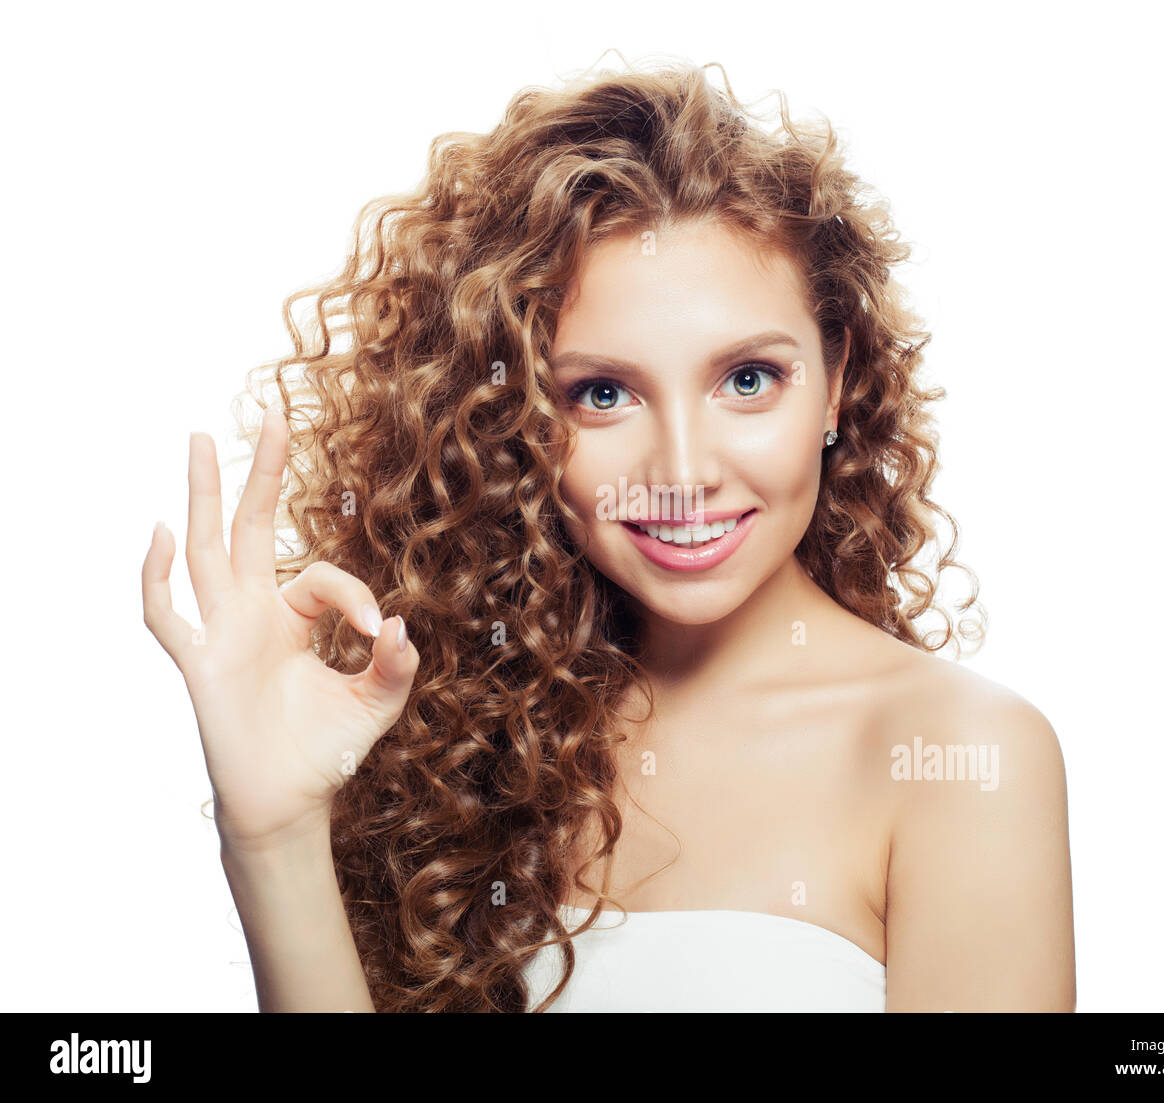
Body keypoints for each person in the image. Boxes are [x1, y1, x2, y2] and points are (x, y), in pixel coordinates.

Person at [141, 57, 1075, 1012]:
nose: (681, 473)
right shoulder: (464, 743)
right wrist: (274, 836)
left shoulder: (960, 754)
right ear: (508, 421)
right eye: (602, 393)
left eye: (747, 379)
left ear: (835, 380)